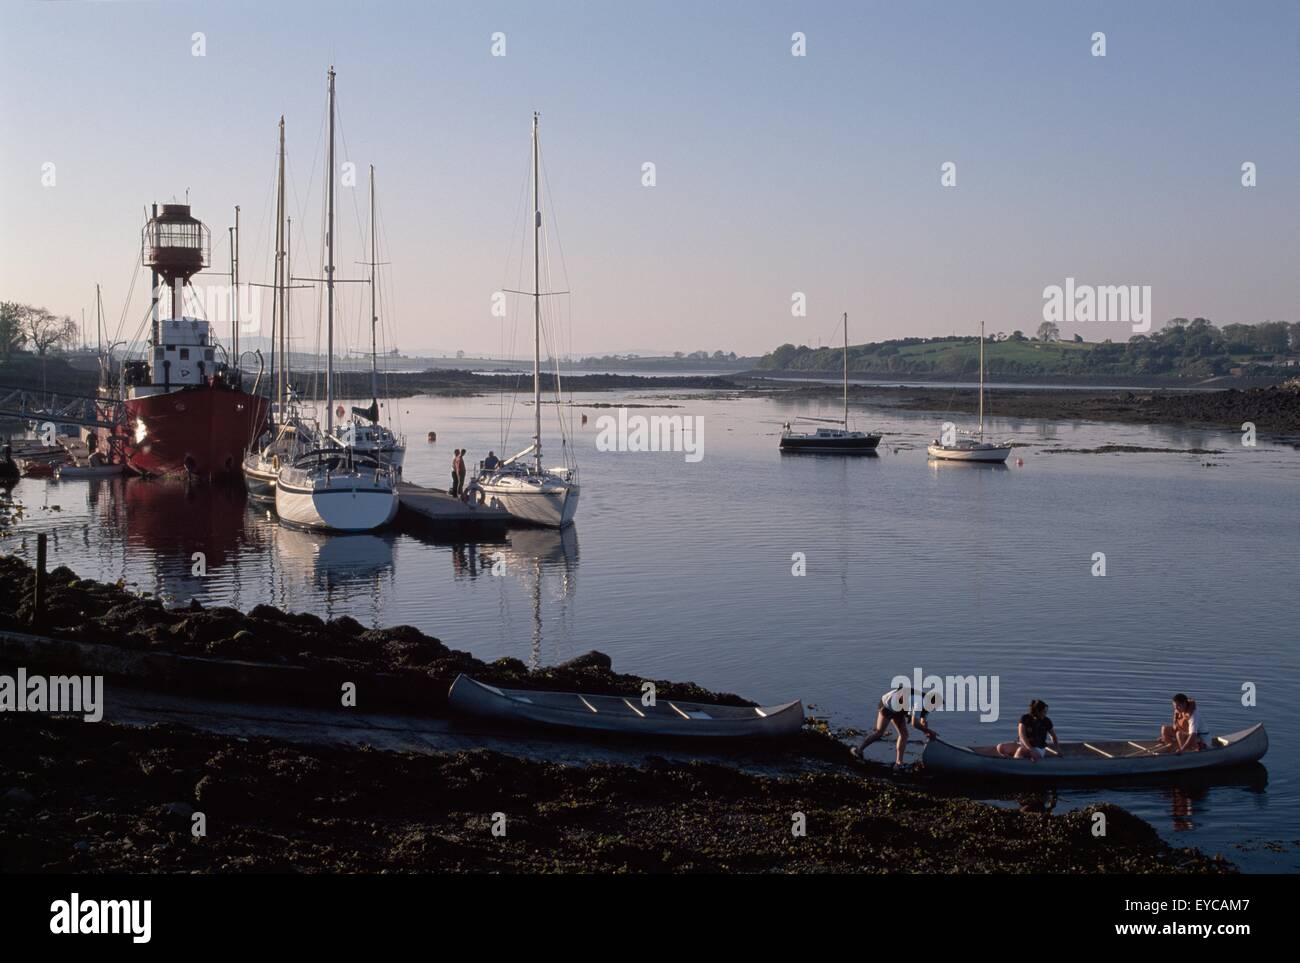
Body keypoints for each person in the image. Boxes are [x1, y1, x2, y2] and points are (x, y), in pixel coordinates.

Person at [851, 684, 940, 771]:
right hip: (887, 705)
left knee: (904, 735)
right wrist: (929, 731)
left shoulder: (928, 706)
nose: (934, 709)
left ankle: (898, 764)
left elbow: (923, 721)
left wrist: (927, 733)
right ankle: (858, 750)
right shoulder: (920, 702)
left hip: (898, 709)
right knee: (879, 732)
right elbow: (914, 723)